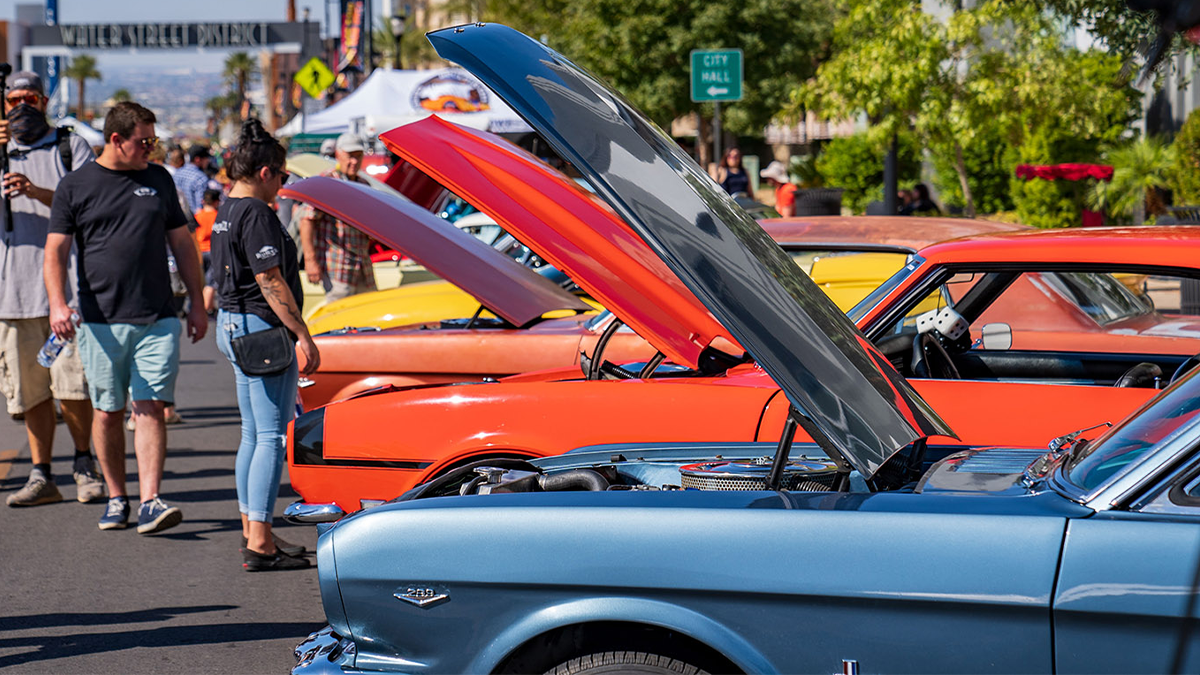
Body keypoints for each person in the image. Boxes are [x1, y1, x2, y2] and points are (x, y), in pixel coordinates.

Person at [44, 101, 207, 535]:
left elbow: (183, 244)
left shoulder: (158, 180)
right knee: (107, 412)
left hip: (157, 315)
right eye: (144, 141)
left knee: (150, 407)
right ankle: (118, 497)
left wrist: (196, 300)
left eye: (153, 141)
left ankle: (151, 500)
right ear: (117, 139)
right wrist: (58, 304)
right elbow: (55, 251)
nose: (151, 148)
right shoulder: (76, 186)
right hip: (99, 320)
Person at [212, 119, 319, 571]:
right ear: (264, 173)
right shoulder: (255, 213)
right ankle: (259, 540)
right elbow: (269, 278)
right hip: (260, 328)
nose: (283, 182)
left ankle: (255, 530)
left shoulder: (227, 209)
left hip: (236, 324)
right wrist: (302, 334)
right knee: (271, 436)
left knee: (254, 434)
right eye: (282, 174)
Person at [0, 70, 102, 507]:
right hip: (14, 294)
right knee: (31, 390)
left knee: (73, 386)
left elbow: (88, 203)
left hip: (66, 296)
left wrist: (36, 191)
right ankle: (41, 474)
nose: (22, 106)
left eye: (31, 98)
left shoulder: (69, 145)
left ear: (44, 102)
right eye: (14, 99)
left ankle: (84, 463)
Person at [299, 133, 376, 303]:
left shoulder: (364, 185)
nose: (354, 162)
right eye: (350, 156)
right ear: (338, 155)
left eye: (358, 156)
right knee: (340, 320)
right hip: (337, 268)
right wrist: (310, 261)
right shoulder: (327, 182)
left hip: (362, 266)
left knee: (368, 318)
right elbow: (306, 220)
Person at [195, 188, 220, 314]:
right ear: (217, 202)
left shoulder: (198, 215)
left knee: (201, 281)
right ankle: (206, 309)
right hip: (212, 250)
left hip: (199, 250)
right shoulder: (217, 216)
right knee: (211, 282)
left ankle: (201, 306)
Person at [173, 144, 211, 214]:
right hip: (193, 220)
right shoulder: (200, 177)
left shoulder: (177, 173)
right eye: (206, 158)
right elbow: (200, 207)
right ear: (197, 159)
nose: (208, 161)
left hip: (178, 218)